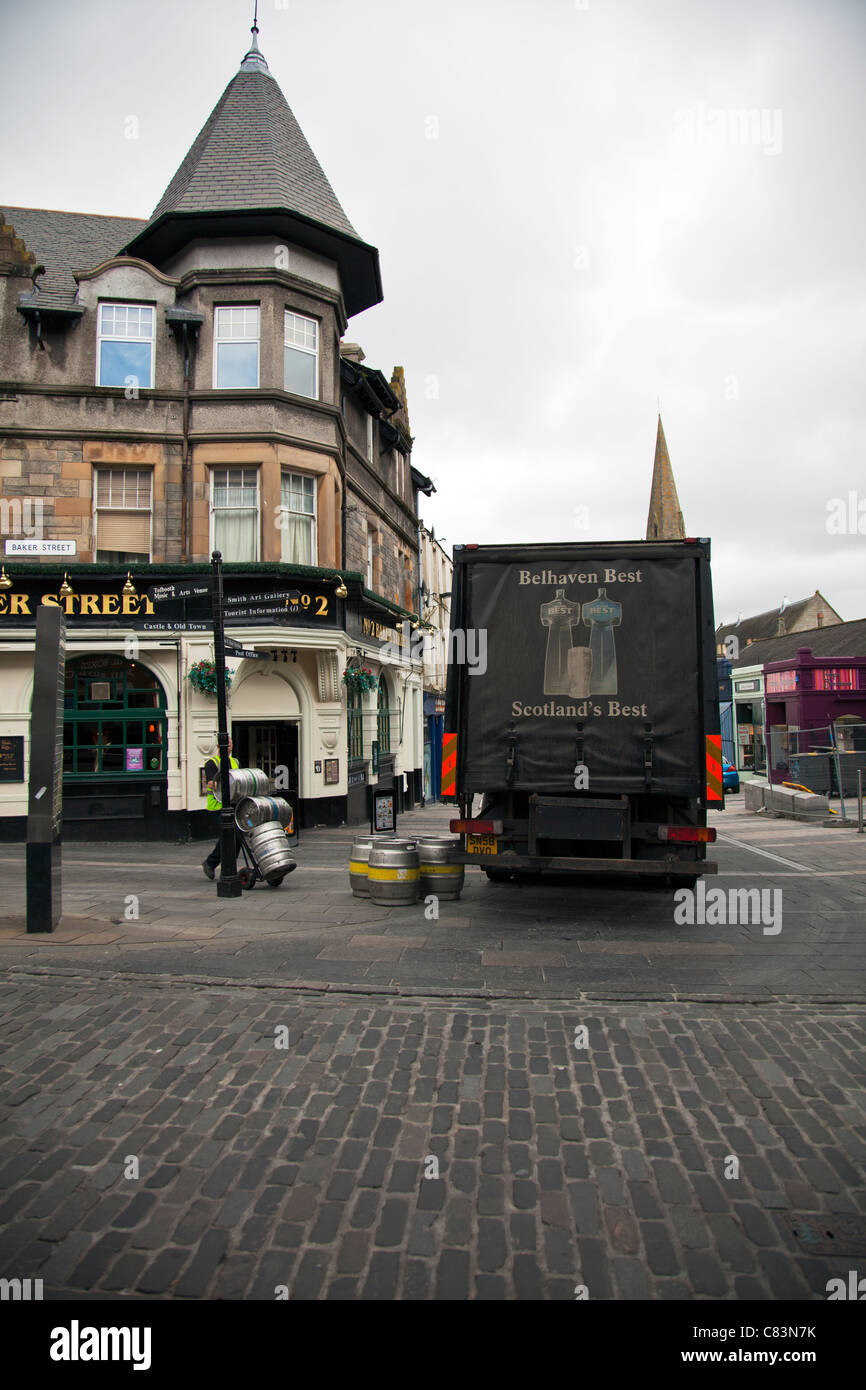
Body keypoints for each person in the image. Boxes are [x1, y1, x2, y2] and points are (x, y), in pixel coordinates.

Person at [202, 737, 240, 880]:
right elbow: (212, 784)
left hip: (233, 805)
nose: (229, 747)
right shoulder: (212, 763)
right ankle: (212, 864)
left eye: (230, 744)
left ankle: (227, 866)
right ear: (219, 746)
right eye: (226, 744)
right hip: (218, 807)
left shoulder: (235, 762)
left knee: (238, 837)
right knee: (227, 836)